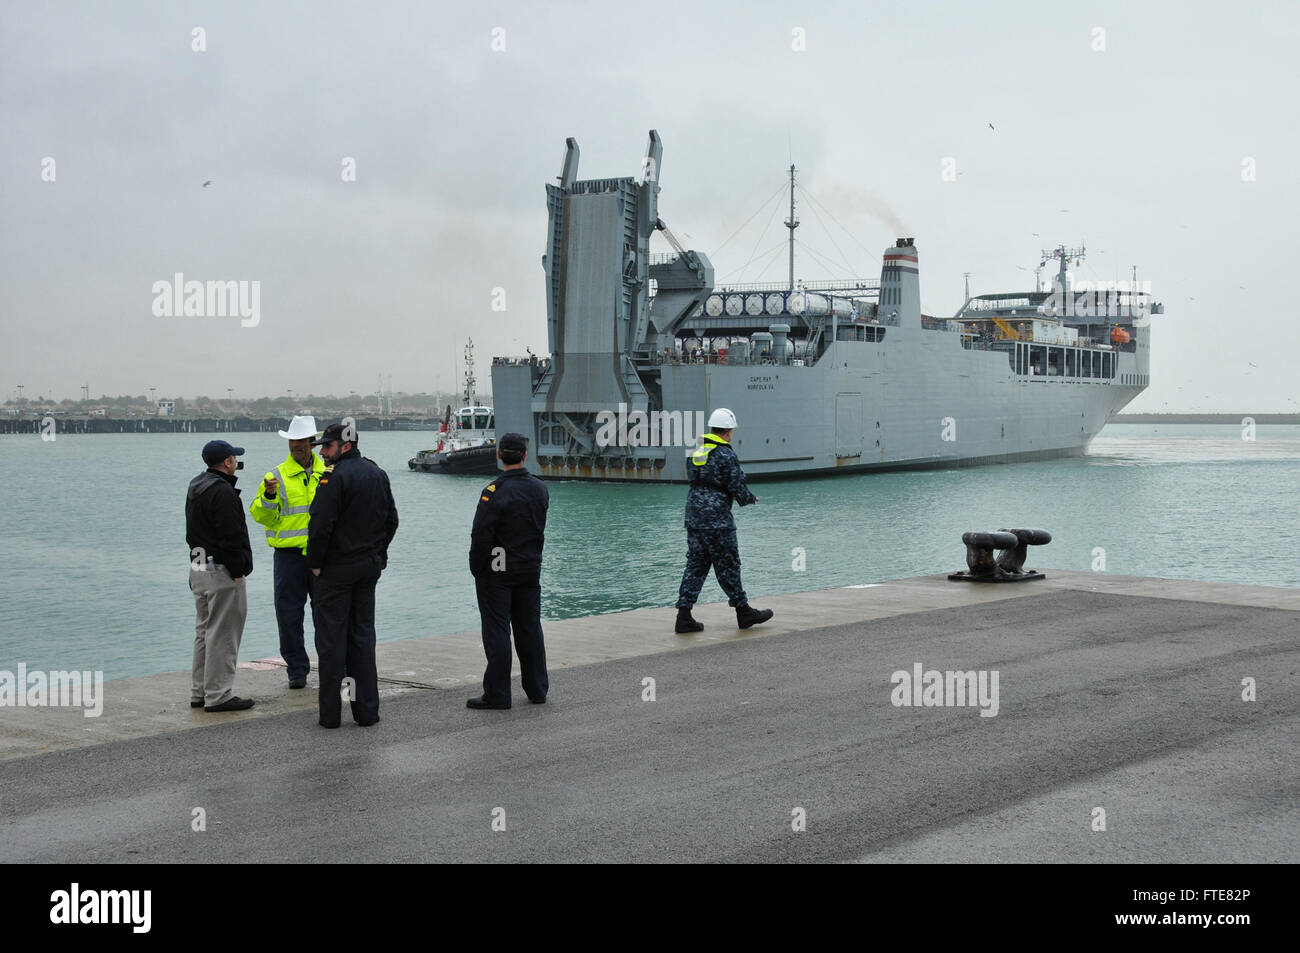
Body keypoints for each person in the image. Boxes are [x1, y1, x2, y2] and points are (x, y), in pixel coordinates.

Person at [306, 422, 399, 728]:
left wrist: (316, 563)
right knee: (362, 639)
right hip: (367, 568)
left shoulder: (332, 478)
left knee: (332, 642)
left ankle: (331, 715)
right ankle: (366, 712)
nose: (322, 452)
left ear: (345, 446)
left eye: (327, 446)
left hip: (336, 570)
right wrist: (378, 554)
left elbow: (320, 526)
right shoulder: (377, 473)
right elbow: (391, 521)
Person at [467, 432, 549, 709]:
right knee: (529, 629)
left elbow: (481, 536)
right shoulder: (540, 488)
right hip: (529, 568)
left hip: (498, 572)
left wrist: (477, 569)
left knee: (497, 631)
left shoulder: (494, 492)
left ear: (499, 455)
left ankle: (498, 694)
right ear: (525, 455)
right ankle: (537, 689)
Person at [674, 408, 774, 633]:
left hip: (694, 516)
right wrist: (749, 499)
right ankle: (743, 611)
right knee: (729, 564)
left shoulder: (697, 451)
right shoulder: (725, 454)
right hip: (717, 520)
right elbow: (736, 483)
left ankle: (683, 616)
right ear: (727, 432)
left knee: (695, 566)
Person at [249, 415, 326, 689]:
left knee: (326, 613)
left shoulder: (329, 472)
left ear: (312, 443)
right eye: (292, 441)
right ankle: (297, 669)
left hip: (323, 556)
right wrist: (269, 497)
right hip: (289, 557)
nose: (296, 446)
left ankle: (331, 664)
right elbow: (260, 516)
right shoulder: (275, 477)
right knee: (288, 614)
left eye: (301, 441)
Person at [185, 439, 255, 712]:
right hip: (221, 570)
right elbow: (231, 536)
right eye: (234, 458)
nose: (236, 461)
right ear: (227, 462)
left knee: (204, 631)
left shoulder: (196, 485)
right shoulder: (223, 492)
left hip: (199, 567)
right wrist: (238, 570)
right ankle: (219, 695)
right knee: (223, 633)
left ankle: (199, 692)